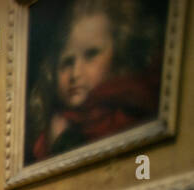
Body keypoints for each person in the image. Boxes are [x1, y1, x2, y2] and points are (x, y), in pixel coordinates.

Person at [27, 0, 161, 161]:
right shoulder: (52, 128)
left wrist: (63, 140)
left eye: (91, 54)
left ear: (120, 53)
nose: (75, 73)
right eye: (67, 62)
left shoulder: (131, 109)